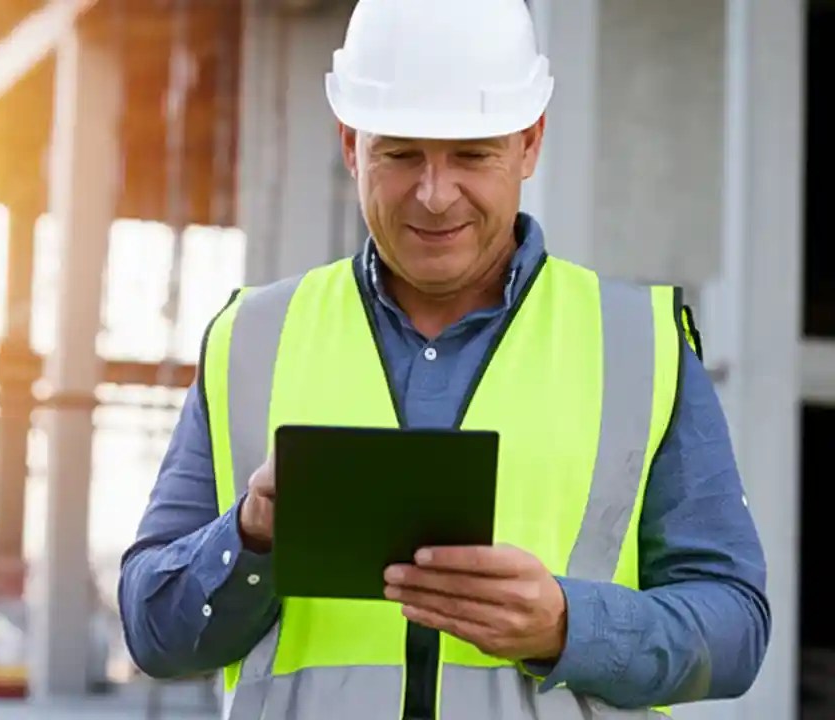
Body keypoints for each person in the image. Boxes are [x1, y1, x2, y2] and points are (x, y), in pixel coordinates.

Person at [117, 0, 770, 717]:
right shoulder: (251, 338)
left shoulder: (640, 345)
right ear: (350, 145)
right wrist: (249, 537)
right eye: (400, 155)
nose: (434, 195)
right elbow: (153, 631)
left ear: (530, 143)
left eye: (472, 155)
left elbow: (735, 630)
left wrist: (568, 627)